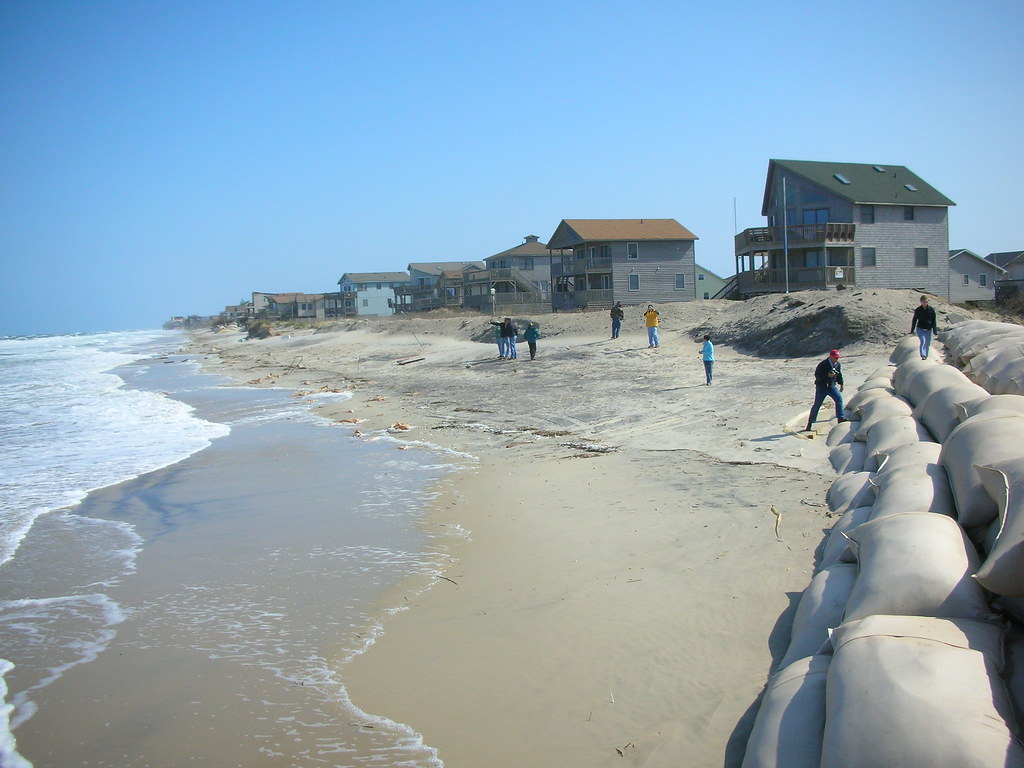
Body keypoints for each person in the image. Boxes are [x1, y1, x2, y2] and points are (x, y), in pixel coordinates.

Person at [805, 349, 847, 431]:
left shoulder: (837, 364)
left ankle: (840, 418)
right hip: (821, 387)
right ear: (830, 356)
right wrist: (827, 375)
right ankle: (810, 423)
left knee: (839, 399)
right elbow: (817, 375)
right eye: (835, 357)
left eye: (837, 357)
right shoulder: (823, 364)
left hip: (831, 386)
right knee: (817, 405)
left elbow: (839, 375)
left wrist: (841, 384)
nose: (836, 359)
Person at [910, 294, 937, 360]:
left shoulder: (931, 309)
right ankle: (923, 354)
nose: (925, 303)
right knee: (923, 341)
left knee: (927, 343)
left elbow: (934, 320)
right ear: (921, 302)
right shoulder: (918, 310)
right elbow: (914, 320)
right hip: (920, 328)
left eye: (926, 302)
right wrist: (912, 329)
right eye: (924, 302)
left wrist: (935, 330)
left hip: (929, 329)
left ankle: (926, 356)